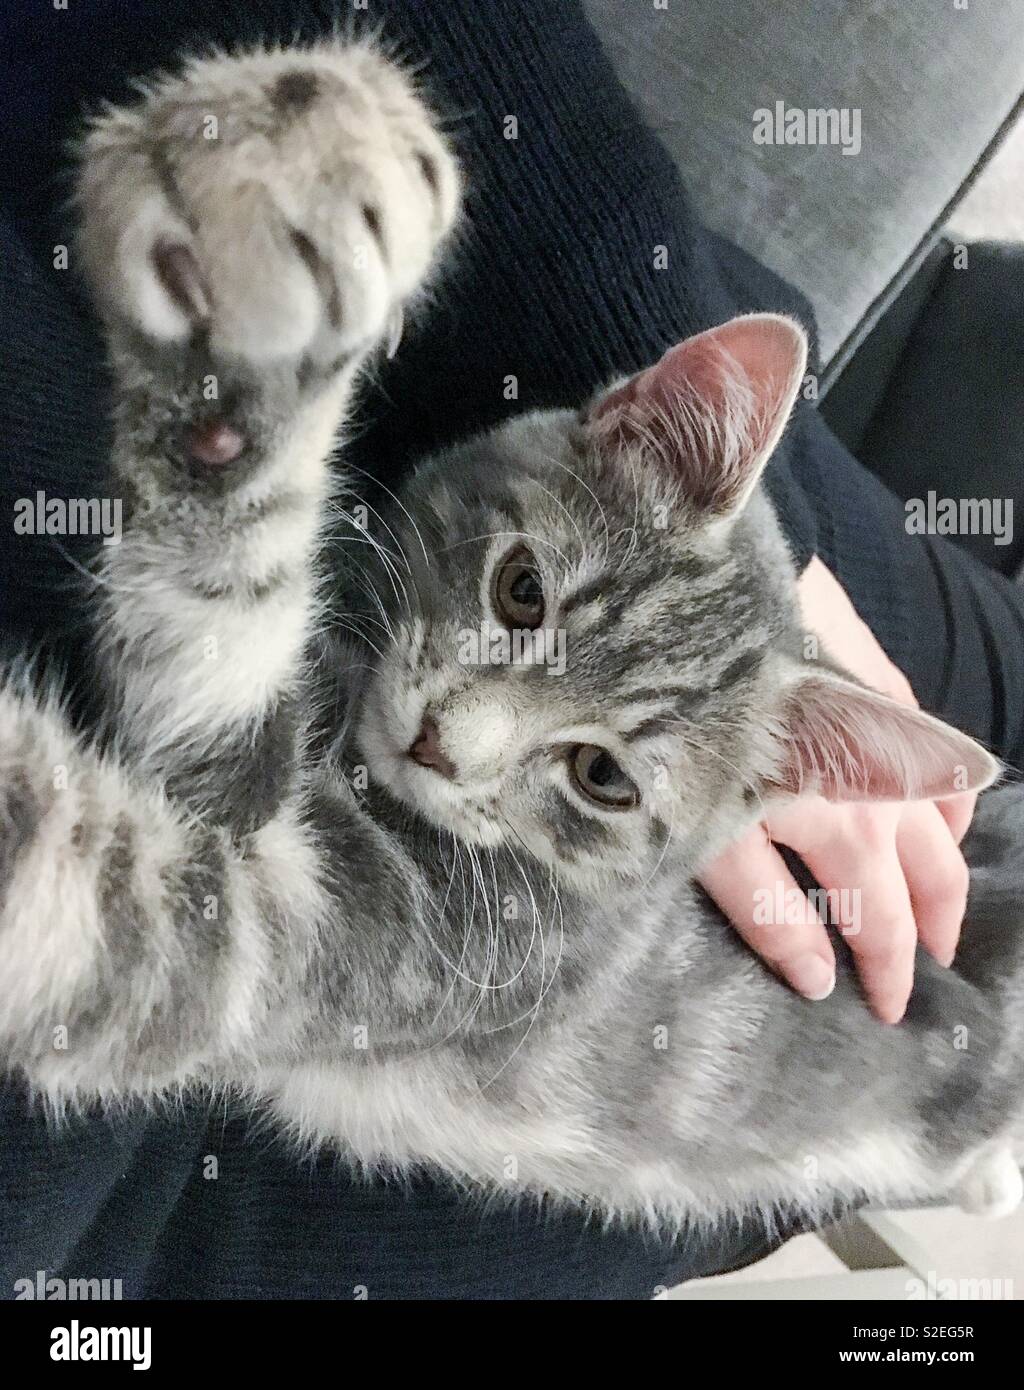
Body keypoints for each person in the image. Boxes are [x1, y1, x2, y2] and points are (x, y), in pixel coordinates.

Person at [1, 0, 1022, 1300]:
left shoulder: (508, 885)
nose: (455, 736)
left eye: (594, 767)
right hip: (361, 1133)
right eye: (526, 594)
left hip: (738, 616)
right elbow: (170, 915)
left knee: (975, 697)